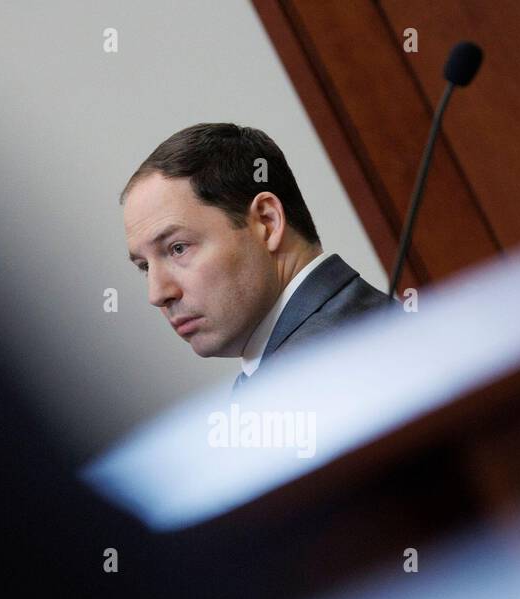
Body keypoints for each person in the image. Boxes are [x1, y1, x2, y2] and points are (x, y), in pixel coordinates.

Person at [121, 123, 388, 395]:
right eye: (144, 266)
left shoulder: (311, 382)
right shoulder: (352, 329)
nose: (157, 294)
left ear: (267, 222)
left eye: (178, 248)